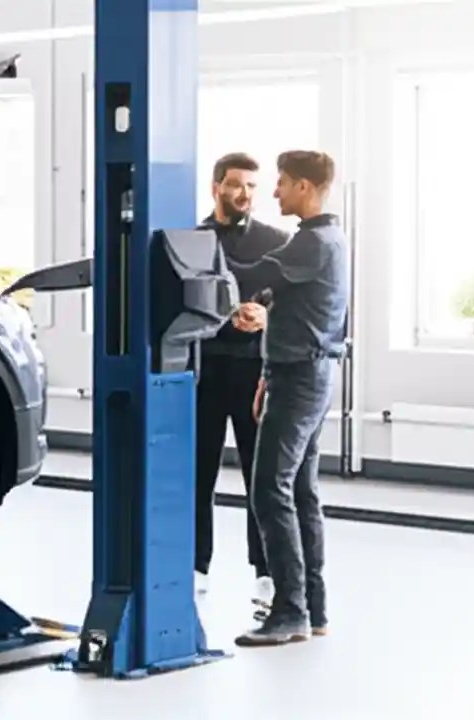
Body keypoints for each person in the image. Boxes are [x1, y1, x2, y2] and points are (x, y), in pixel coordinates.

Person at [227, 150, 349, 647]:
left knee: (268, 490)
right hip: (305, 375)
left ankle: (289, 611)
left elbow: (249, 272)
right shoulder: (330, 240)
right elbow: (286, 298)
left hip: (299, 379)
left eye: (280, 183)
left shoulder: (312, 241)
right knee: (300, 492)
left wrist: (176, 254)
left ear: (304, 186)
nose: (273, 192)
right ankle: (312, 609)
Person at [193, 153, 288, 619]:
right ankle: (195, 569)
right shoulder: (191, 242)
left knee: (261, 479)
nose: (245, 194)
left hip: (256, 376)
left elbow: (294, 305)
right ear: (215, 188)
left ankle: (266, 574)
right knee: (197, 475)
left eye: (252, 185)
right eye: (235, 185)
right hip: (205, 372)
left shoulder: (278, 242)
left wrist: (268, 317)